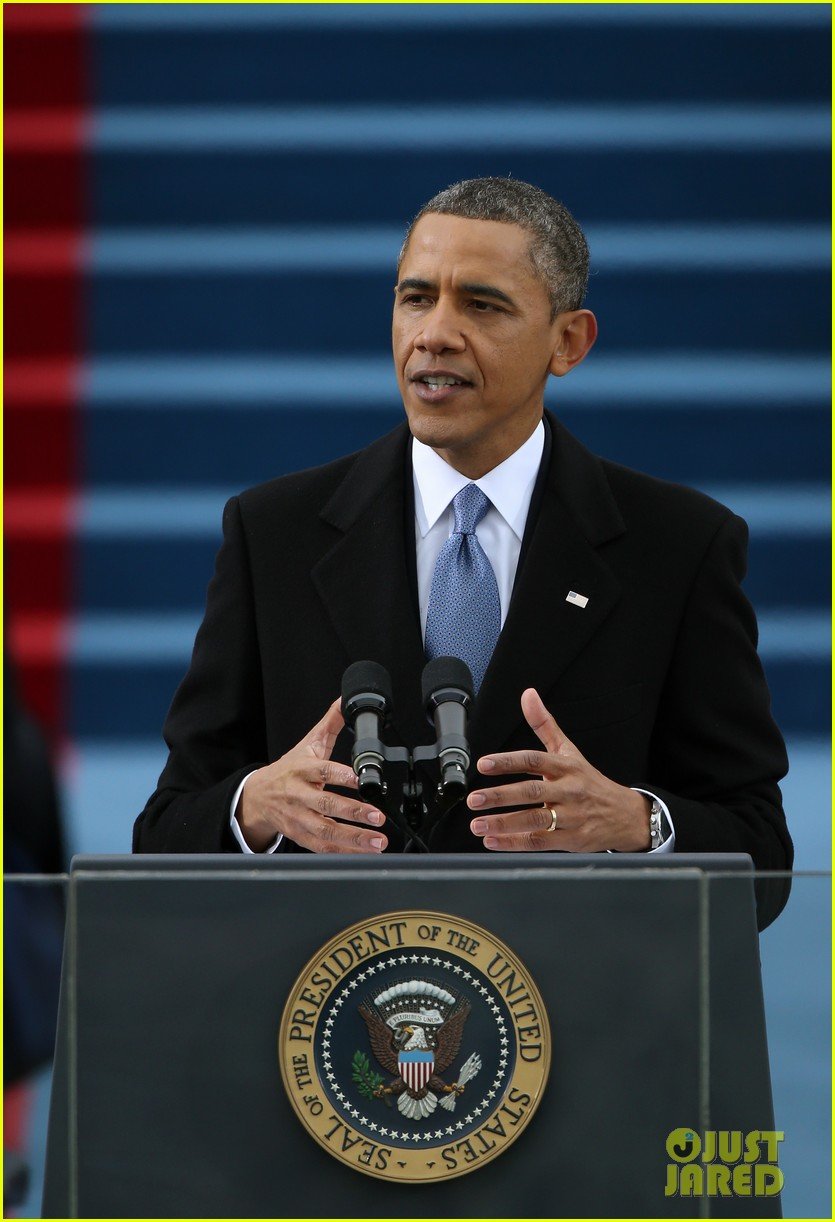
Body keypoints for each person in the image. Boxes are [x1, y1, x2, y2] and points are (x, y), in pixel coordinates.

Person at [134, 178, 792, 928]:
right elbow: (163, 832)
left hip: (580, 1018)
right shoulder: (273, 533)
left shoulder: (677, 546)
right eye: (415, 298)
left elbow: (762, 860)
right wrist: (255, 808)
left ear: (567, 342)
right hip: (329, 1017)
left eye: (481, 305)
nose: (434, 333)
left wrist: (636, 823)